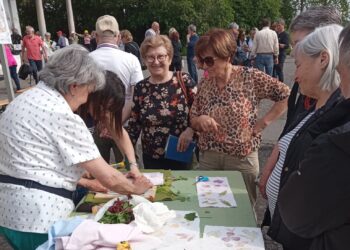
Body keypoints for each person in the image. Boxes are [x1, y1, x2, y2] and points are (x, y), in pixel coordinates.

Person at [0, 45, 152, 250]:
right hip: (38, 218)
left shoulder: (28, 98)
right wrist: (135, 189)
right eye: (88, 89)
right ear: (74, 86)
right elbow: (109, 178)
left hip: (12, 213)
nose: (88, 96)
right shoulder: (60, 113)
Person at [262, 24, 343, 249]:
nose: (295, 76)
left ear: (323, 60)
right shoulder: (313, 108)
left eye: (298, 65)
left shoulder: (336, 117)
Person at [190, 29, 290, 206]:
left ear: (227, 56)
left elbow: (286, 95)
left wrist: (263, 123)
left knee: (243, 209)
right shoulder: (205, 83)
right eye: (201, 60)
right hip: (210, 157)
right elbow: (194, 117)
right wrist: (200, 120)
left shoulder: (249, 77)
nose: (204, 66)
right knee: (208, 207)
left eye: (209, 60)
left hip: (241, 158)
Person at [127, 35, 197, 170]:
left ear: (169, 58)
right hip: (151, 158)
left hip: (181, 153)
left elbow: (200, 110)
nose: (156, 61)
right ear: (145, 60)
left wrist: (191, 130)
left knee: (183, 189)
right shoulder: (141, 87)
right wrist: (128, 153)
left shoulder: (184, 80)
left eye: (161, 56)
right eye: (150, 57)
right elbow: (135, 123)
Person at [90, 15, 143, 164]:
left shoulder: (87, 60)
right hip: (124, 125)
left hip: (97, 124)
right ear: (118, 37)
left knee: (98, 174)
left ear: (96, 36)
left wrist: (103, 121)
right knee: (129, 169)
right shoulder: (131, 59)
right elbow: (135, 97)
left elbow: (83, 98)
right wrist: (117, 123)